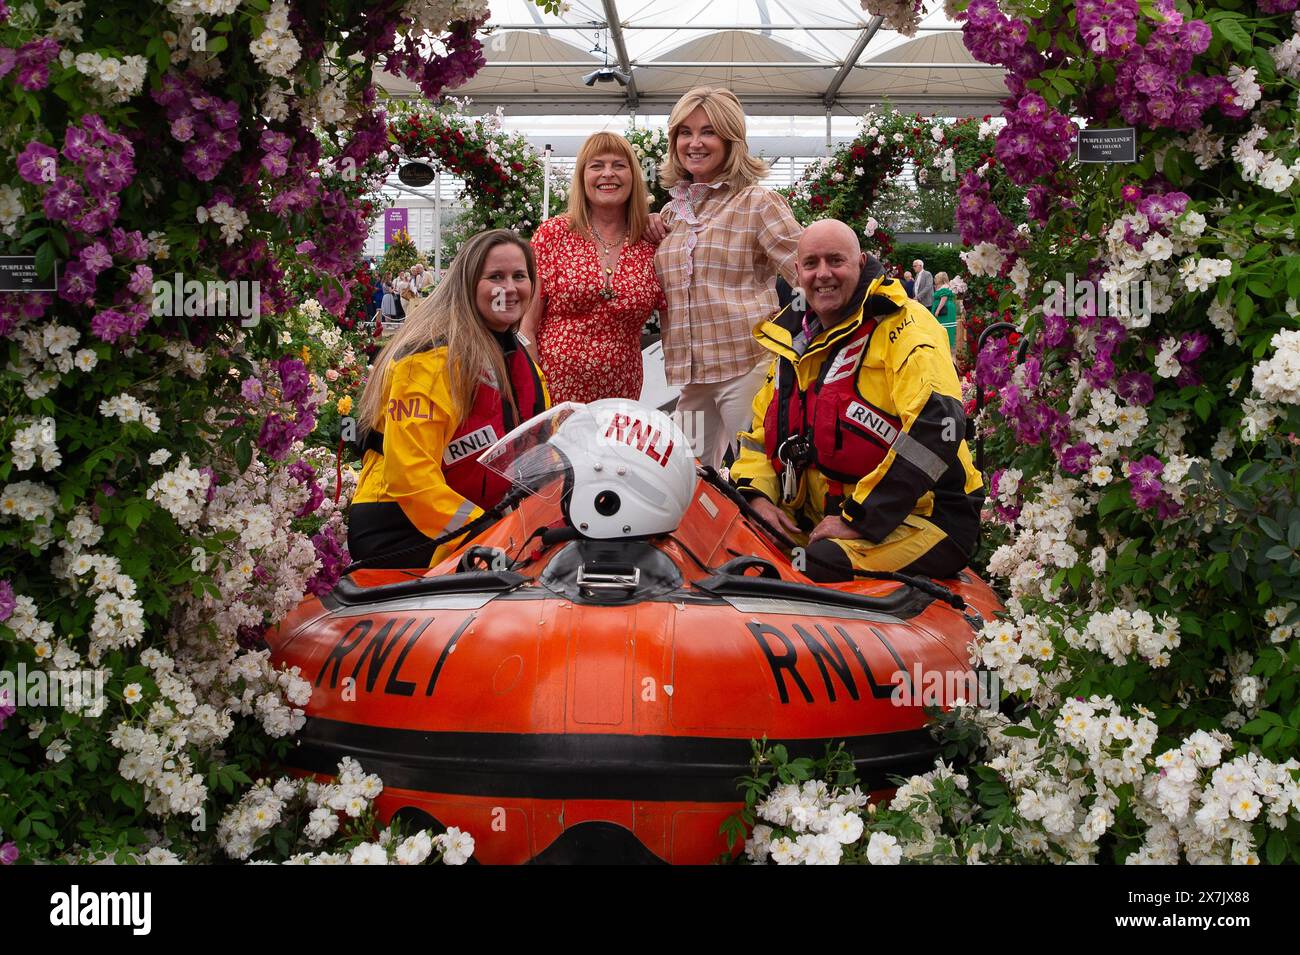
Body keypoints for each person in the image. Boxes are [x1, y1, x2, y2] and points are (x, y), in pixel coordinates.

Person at [731, 220, 984, 582]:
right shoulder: (792, 343)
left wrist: (862, 518)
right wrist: (758, 500)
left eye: (836, 261)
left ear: (861, 263)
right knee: (736, 541)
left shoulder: (907, 326)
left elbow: (938, 426)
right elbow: (759, 436)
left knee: (819, 562)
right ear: (797, 271)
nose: (823, 274)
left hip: (924, 519)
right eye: (811, 263)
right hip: (824, 519)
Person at [348, 230, 551, 569]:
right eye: (495, 277)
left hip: (479, 522)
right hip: (401, 527)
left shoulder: (520, 361)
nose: (510, 288)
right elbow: (409, 476)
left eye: (520, 276)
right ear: (468, 283)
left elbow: (538, 454)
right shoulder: (428, 360)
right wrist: (485, 533)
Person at [655, 86, 802, 470]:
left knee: (762, 473)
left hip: (748, 366)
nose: (695, 143)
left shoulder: (756, 202)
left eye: (708, 132)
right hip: (693, 376)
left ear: (731, 140)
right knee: (683, 473)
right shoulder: (672, 214)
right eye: (684, 133)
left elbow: (807, 271)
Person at [522, 131, 666, 403]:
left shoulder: (651, 243)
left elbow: (673, 324)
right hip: (553, 397)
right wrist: (533, 388)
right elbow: (526, 326)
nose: (608, 174)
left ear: (633, 177)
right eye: (597, 166)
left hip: (621, 400)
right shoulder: (553, 235)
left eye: (619, 165)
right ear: (582, 177)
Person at [931, 271, 960, 358]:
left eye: (936, 278)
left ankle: (946, 345)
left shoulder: (944, 288)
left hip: (944, 311)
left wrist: (938, 310)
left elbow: (943, 299)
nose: (935, 279)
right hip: (945, 309)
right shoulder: (942, 287)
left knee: (945, 328)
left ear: (940, 279)